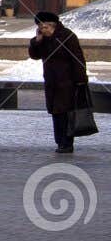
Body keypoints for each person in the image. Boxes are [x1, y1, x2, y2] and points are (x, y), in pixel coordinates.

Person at [28, 11, 90, 154]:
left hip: (67, 81)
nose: (43, 30)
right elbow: (35, 55)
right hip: (51, 82)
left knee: (65, 112)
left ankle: (67, 143)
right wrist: (36, 42)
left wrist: (81, 80)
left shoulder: (67, 36)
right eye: (40, 28)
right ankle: (60, 142)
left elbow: (78, 59)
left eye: (45, 28)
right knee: (56, 112)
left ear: (53, 26)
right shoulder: (42, 38)